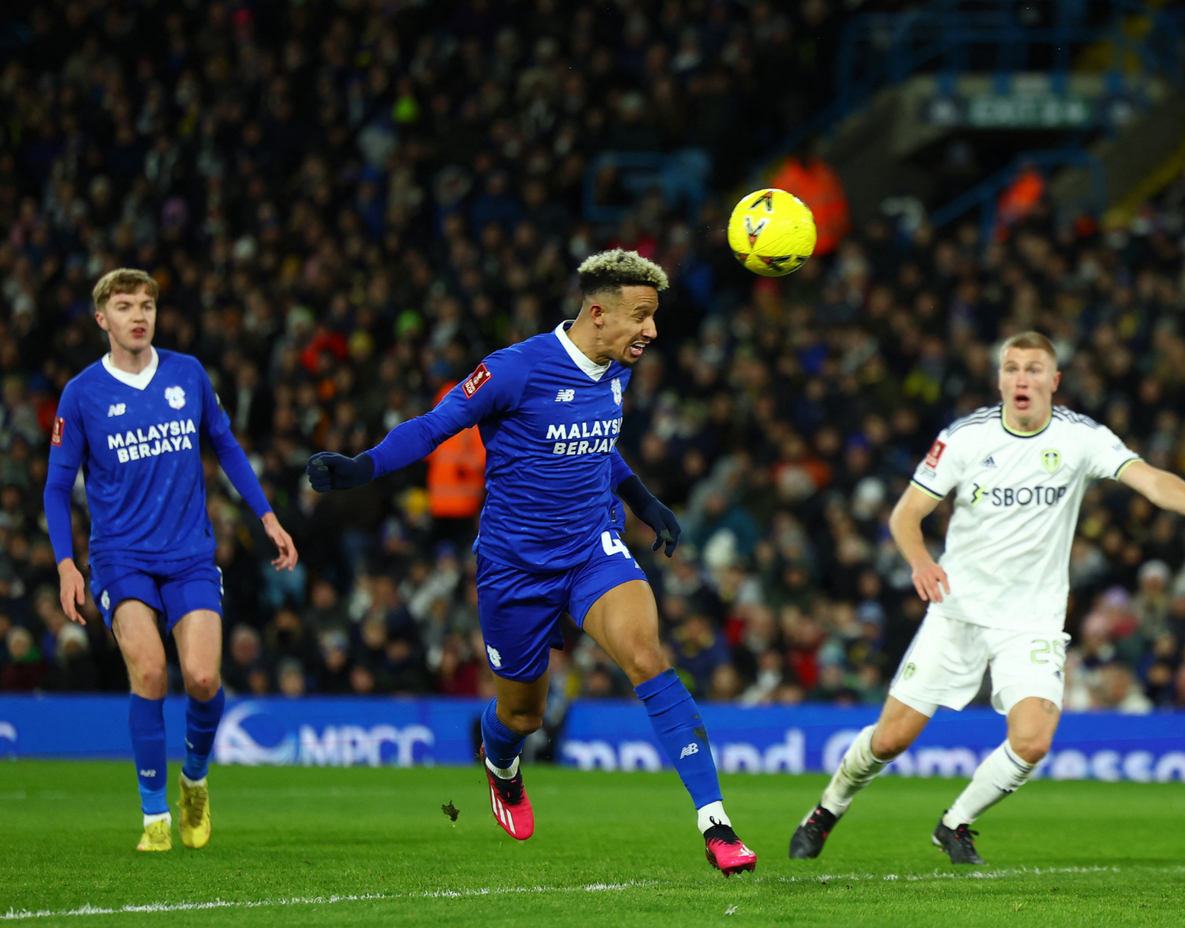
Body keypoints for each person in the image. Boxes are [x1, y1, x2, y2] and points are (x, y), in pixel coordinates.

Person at [306, 250, 757, 875]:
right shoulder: (514, 370)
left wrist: (645, 502)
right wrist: (363, 466)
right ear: (598, 314)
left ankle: (717, 827)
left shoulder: (617, 369)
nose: (652, 331)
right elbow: (434, 427)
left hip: (591, 551)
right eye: (642, 317)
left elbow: (600, 446)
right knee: (524, 714)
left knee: (648, 657)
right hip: (514, 567)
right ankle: (502, 763)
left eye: (654, 317)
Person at [789, 331, 1185, 864]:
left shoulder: (1080, 437)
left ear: (1054, 380)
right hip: (959, 612)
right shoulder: (965, 438)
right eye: (1013, 368)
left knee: (1033, 742)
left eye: (1034, 368)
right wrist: (921, 562)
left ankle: (955, 824)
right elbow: (906, 514)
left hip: (1032, 622)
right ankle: (827, 809)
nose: (1023, 378)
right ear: (999, 379)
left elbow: (1151, 480)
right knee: (889, 740)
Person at [44, 269, 300, 852]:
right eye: (125, 306)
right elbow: (57, 488)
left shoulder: (188, 373)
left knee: (205, 678)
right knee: (153, 673)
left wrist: (266, 516)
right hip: (120, 556)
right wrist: (65, 564)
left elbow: (227, 446)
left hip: (188, 553)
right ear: (101, 319)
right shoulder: (82, 393)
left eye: (147, 306)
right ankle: (155, 816)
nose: (139, 316)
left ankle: (194, 781)